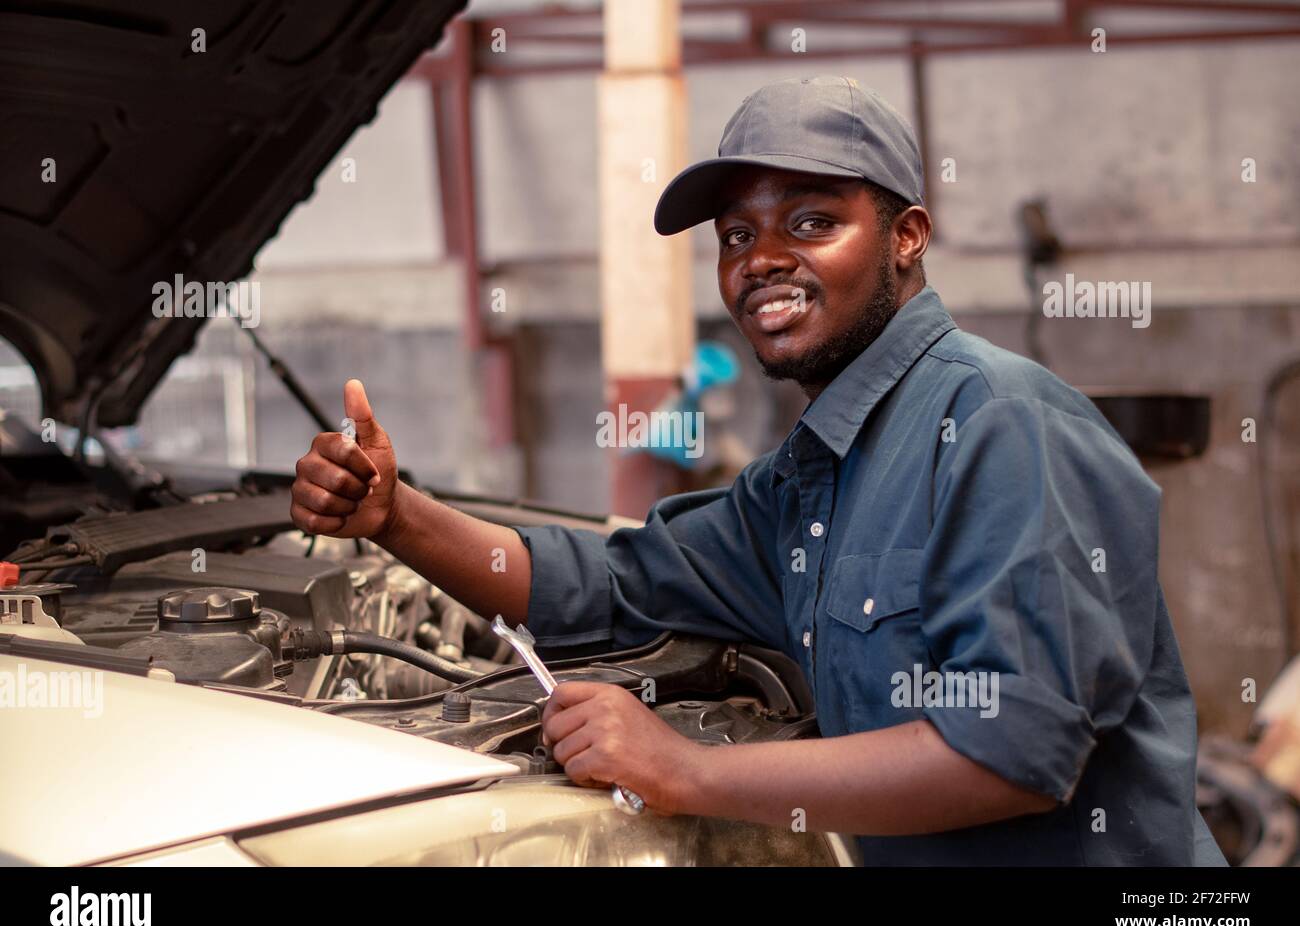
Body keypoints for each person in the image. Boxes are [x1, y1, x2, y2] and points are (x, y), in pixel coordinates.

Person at [291, 76, 1226, 865]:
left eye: (812, 221)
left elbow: (1011, 753)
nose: (763, 260)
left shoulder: (999, 427)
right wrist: (396, 515)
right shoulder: (804, 480)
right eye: (736, 236)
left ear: (907, 236)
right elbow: (612, 584)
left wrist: (686, 771)